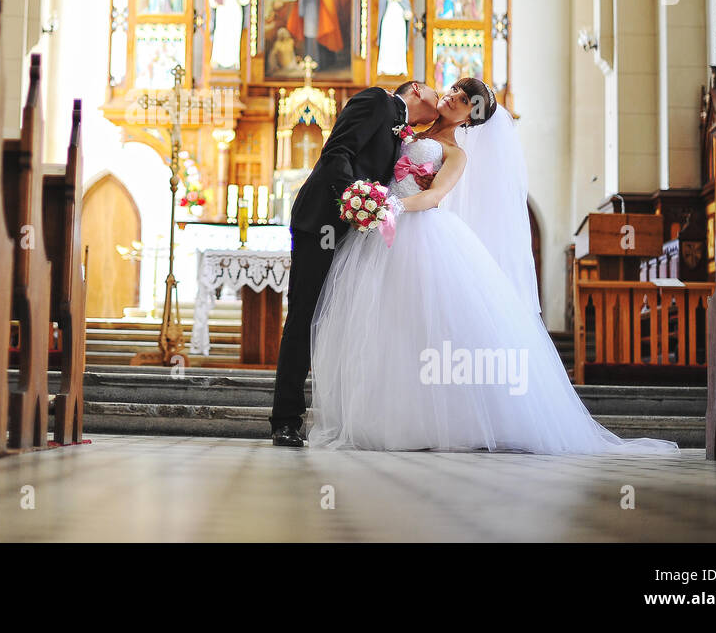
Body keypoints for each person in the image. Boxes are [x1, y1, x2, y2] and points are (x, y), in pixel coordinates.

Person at [307, 78, 680, 455]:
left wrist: (393, 206)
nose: (453, 97)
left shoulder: (455, 154)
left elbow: (435, 196)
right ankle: (378, 415)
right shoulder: (404, 129)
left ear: (471, 118)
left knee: (423, 327)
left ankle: (429, 421)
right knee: (380, 323)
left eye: (465, 101)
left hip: (415, 230)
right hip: (377, 236)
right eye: (453, 90)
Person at [269, 79, 441, 446]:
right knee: (304, 318)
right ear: (416, 91)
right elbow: (337, 153)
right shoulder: (378, 100)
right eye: (435, 94)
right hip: (321, 222)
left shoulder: (403, 129)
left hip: (354, 233)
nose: (439, 100)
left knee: (342, 322)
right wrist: (356, 195)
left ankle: (352, 416)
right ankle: (285, 419)